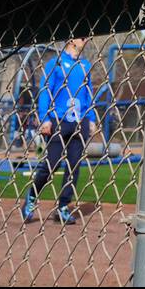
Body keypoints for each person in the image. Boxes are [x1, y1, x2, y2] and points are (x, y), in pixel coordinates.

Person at [21, 36, 96, 225]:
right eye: (82, 37)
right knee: (51, 164)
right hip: (58, 120)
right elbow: (46, 90)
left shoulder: (85, 65)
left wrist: (92, 118)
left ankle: (63, 206)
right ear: (71, 40)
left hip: (80, 121)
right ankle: (31, 198)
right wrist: (45, 118)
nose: (85, 40)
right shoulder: (55, 63)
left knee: (74, 166)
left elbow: (89, 93)